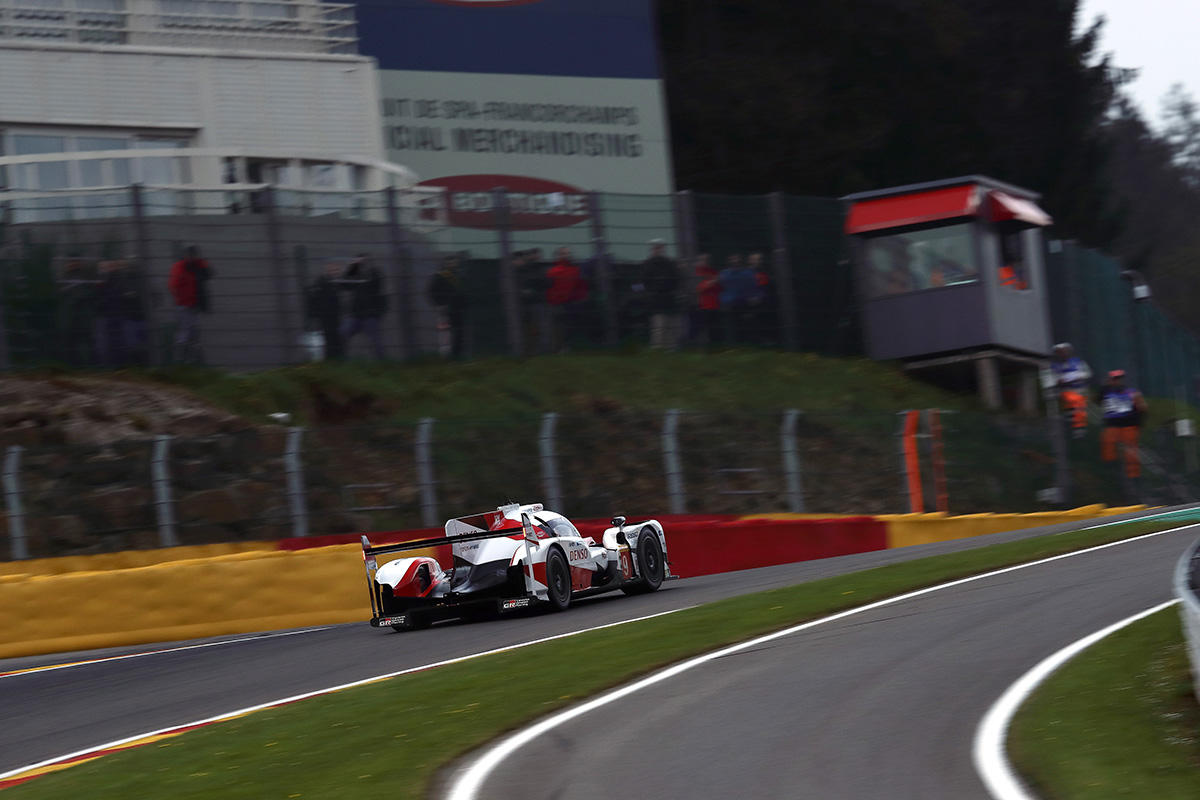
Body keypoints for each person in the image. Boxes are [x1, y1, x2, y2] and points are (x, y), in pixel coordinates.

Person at [1097, 369, 1147, 480]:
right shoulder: (1106, 392)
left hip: (1129, 424)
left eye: (1118, 379)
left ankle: (1134, 475)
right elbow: (1098, 399)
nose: (1117, 381)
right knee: (1107, 441)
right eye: (1114, 379)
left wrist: (1139, 422)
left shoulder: (1132, 393)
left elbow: (1143, 408)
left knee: (1131, 451)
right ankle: (1110, 467)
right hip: (1112, 424)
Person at [167, 245, 213, 364]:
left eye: (194, 256)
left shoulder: (197, 266)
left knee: (193, 330)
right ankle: (181, 358)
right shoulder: (180, 266)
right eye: (191, 255)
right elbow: (173, 285)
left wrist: (202, 263)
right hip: (184, 304)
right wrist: (179, 297)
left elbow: (209, 274)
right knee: (186, 331)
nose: (192, 258)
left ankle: (190, 359)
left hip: (193, 304)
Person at [340, 253, 387, 359]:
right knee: (343, 333)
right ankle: (342, 360)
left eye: (363, 261)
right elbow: (343, 285)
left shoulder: (374, 273)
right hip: (355, 314)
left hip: (370, 314)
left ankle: (382, 362)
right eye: (359, 262)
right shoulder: (355, 274)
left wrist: (366, 269)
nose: (361, 264)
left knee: (375, 341)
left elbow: (378, 284)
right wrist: (352, 268)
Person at [56, 254, 97, 365]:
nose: (72, 264)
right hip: (70, 315)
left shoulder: (85, 275)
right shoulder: (64, 276)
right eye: (70, 262)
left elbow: (91, 292)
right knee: (70, 341)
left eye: (74, 261)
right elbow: (60, 293)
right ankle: (73, 363)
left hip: (83, 314)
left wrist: (79, 298)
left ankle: (91, 363)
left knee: (87, 339)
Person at [545, 247, 587, 352]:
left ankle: (562, 347)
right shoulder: (555, 271)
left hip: (567, 302)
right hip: (559, 302)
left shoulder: (573, 270)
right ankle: (559, 347)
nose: (567, 255)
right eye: (564, 253)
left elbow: (580, 286)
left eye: (568, 253)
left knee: (565, 326)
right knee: (560, 326)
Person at [642, 239, 681, 350]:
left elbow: (676, 279)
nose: (658, 250)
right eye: (656, 247)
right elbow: (643, 281)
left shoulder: (669, 263)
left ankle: (671, 347)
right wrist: (648, 293)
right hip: (655, 299)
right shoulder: (648, 264)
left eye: (660, 247)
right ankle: (657, 347)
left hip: (668, 298)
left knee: (670, 324)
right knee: (658, 325)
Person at [428, 255, 466, 358]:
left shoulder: (458, 275)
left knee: (457, 332)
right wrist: (440, 304)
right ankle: (447, 354)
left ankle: (456, 354)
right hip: (447, 308)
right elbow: (431, 292)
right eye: (451, 262)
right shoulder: (440, 276)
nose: (453, 264)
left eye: (455, 262)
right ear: (446, 263)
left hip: (457, 308)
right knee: (446, 332)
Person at [1051, 343, 1092, 437]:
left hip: (1080, 389)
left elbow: (1088, 373)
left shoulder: (1078, 362)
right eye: (1060, 352)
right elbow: (1050, 381)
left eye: (1065, 351)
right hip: (1065, 391)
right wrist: (1059, 381)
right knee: (1074, 400)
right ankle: (1074, 425)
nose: (1063, 353)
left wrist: (1078, 377)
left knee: (1079, 405)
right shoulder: (1054, 366)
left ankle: (1078, 427)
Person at [307, 262, 344, 360]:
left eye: (337, 270)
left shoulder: (336, 283)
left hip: (334, 316)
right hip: (325, 316)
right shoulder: (322, 282)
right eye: (333, 270)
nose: (335, 272)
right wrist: (314, 315)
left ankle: (334, 359)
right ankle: (331, 360)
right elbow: (314, 299)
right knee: (329, 339)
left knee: (334, 339)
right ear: (327, 271)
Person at [692, 253, 721, 346]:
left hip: (714, 303)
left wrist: (711, 283)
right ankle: (701, 344)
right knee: (701, 326)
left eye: (707, 259)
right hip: (702, 304)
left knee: (713, 326)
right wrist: (712, 282)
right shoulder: (696, 272)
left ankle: (713, 344)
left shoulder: (713, 272)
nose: (705, 261)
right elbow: (698, 288)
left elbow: (719, 287)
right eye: (702, 259)